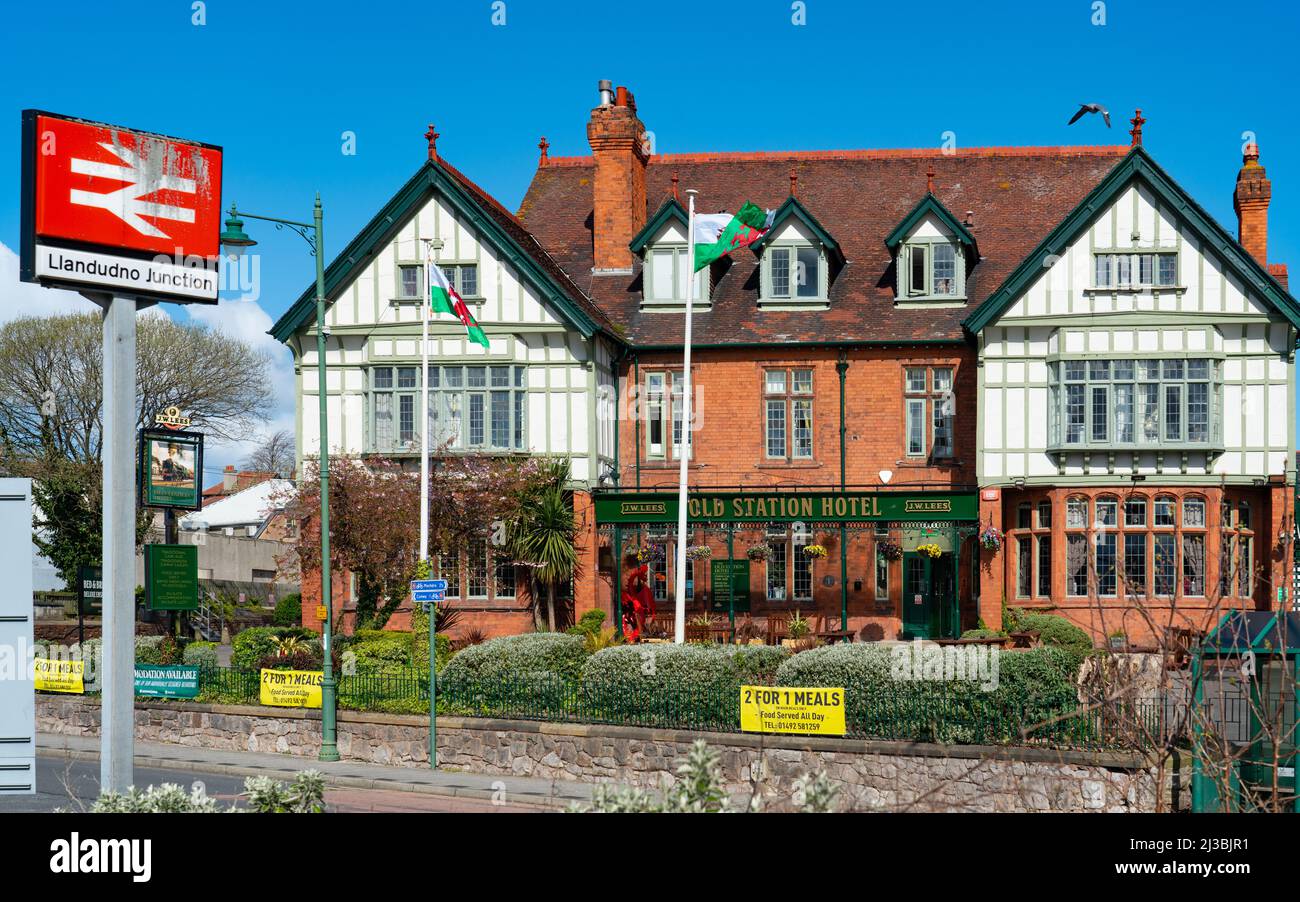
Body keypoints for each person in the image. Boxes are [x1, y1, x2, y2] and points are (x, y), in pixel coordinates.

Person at [621, 562, 655, 642]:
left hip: (637, 612)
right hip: (635, 611)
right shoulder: (629, 595)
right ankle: (633, 637)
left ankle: (635, 636)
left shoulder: (644, 591)